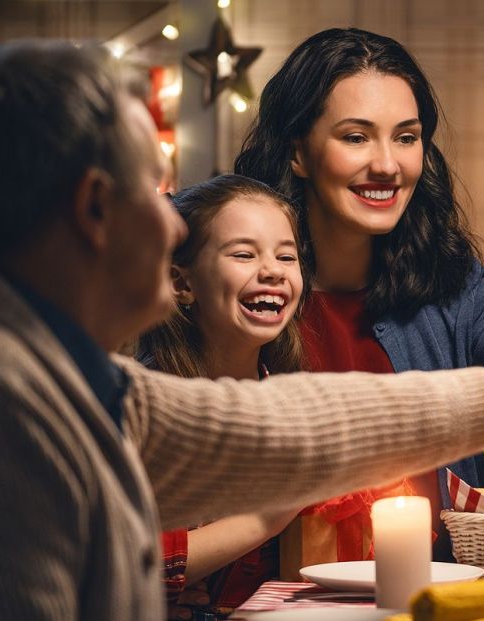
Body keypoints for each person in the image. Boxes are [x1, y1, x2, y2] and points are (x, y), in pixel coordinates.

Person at [0, 40, 484, 620]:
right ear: (95, 209)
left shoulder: (70, 378)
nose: (174, 224)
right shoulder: (7, 400)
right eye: (150, 190)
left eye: (406, 136)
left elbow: (279, 423)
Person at [233, 27, 484, 564]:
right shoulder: (237, 283)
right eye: (356, 137)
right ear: (297, 154)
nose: (387, 165)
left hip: (429, 602)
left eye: (406, 137)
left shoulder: (455, 284)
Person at [133, 175, 309, 618]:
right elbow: (124, 559)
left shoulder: (295, 409)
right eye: (244, 254)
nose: (272, 269)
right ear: (182, 283)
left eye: (287, 255)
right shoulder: (146, 410)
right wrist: (267, 518)